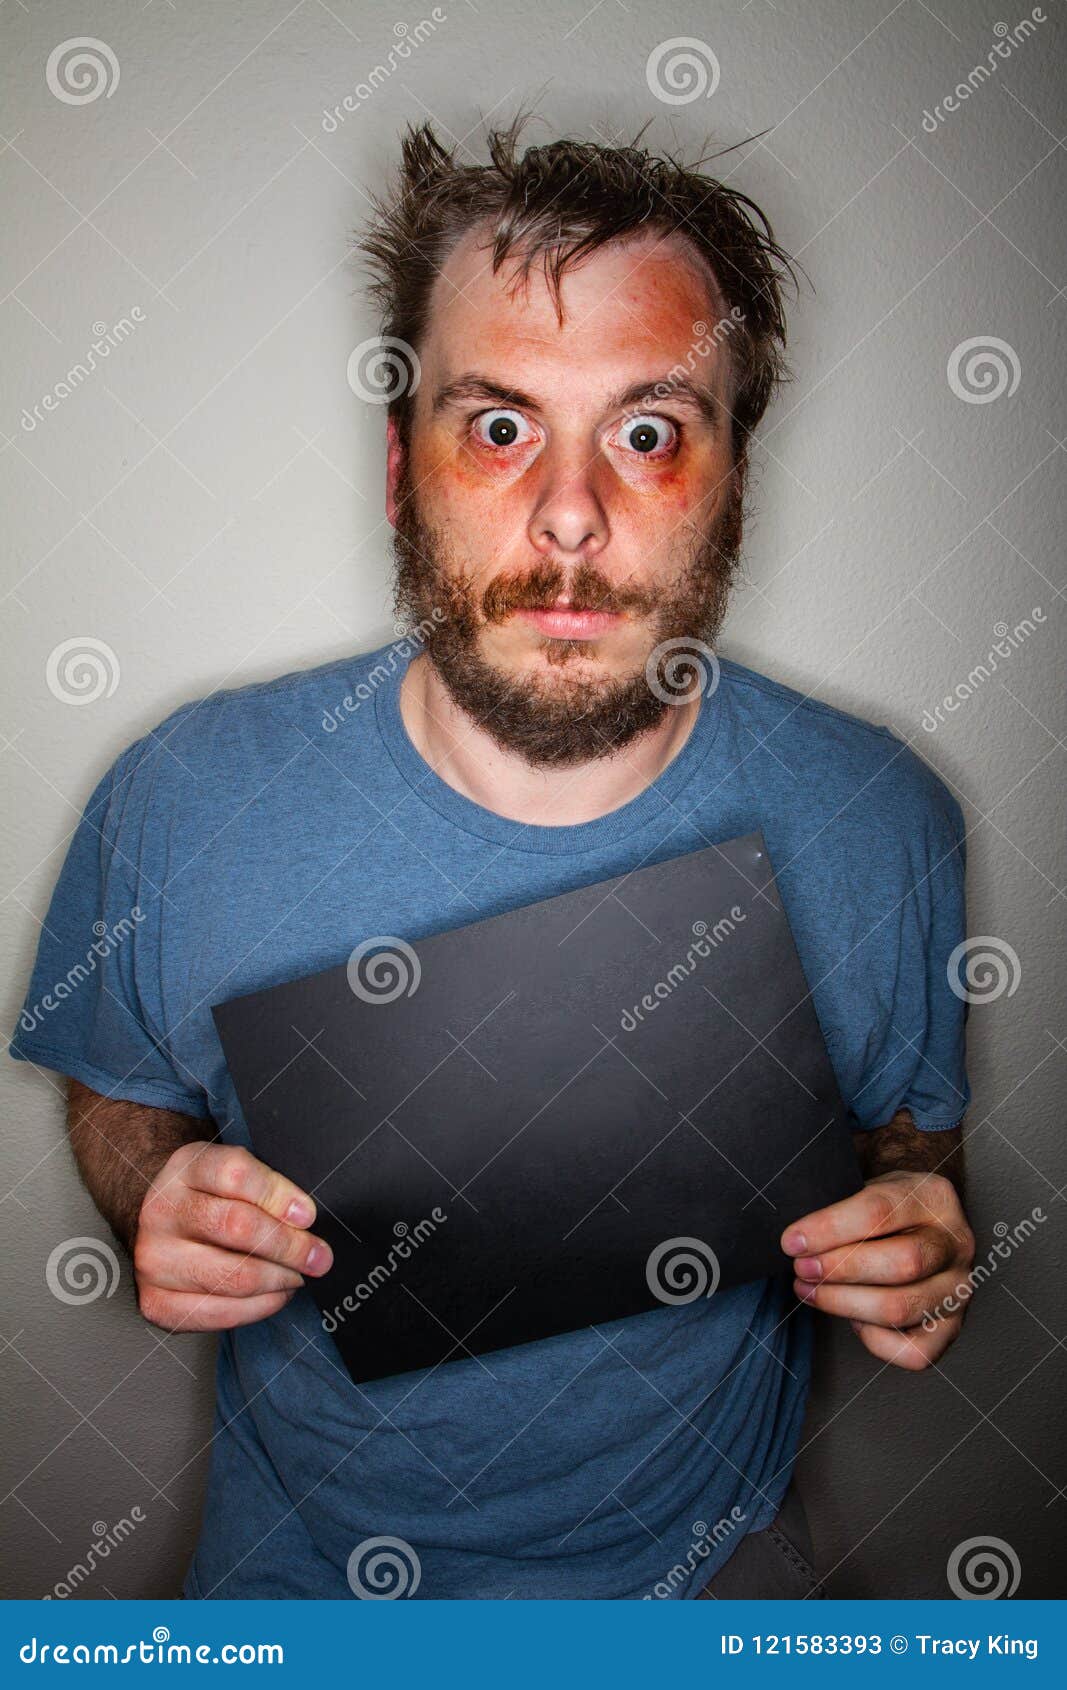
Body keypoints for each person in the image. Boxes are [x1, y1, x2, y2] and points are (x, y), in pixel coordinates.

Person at [10, 120, 975, 1600]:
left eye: (649, 432)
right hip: (300, 1601)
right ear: (402, 468)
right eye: (501, 425)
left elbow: (909, 1133)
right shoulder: (182, 794)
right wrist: (153, 1190)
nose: (572, 516)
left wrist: (913, 1224)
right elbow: (119, 1072)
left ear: (733, 485)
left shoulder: (884, 819)